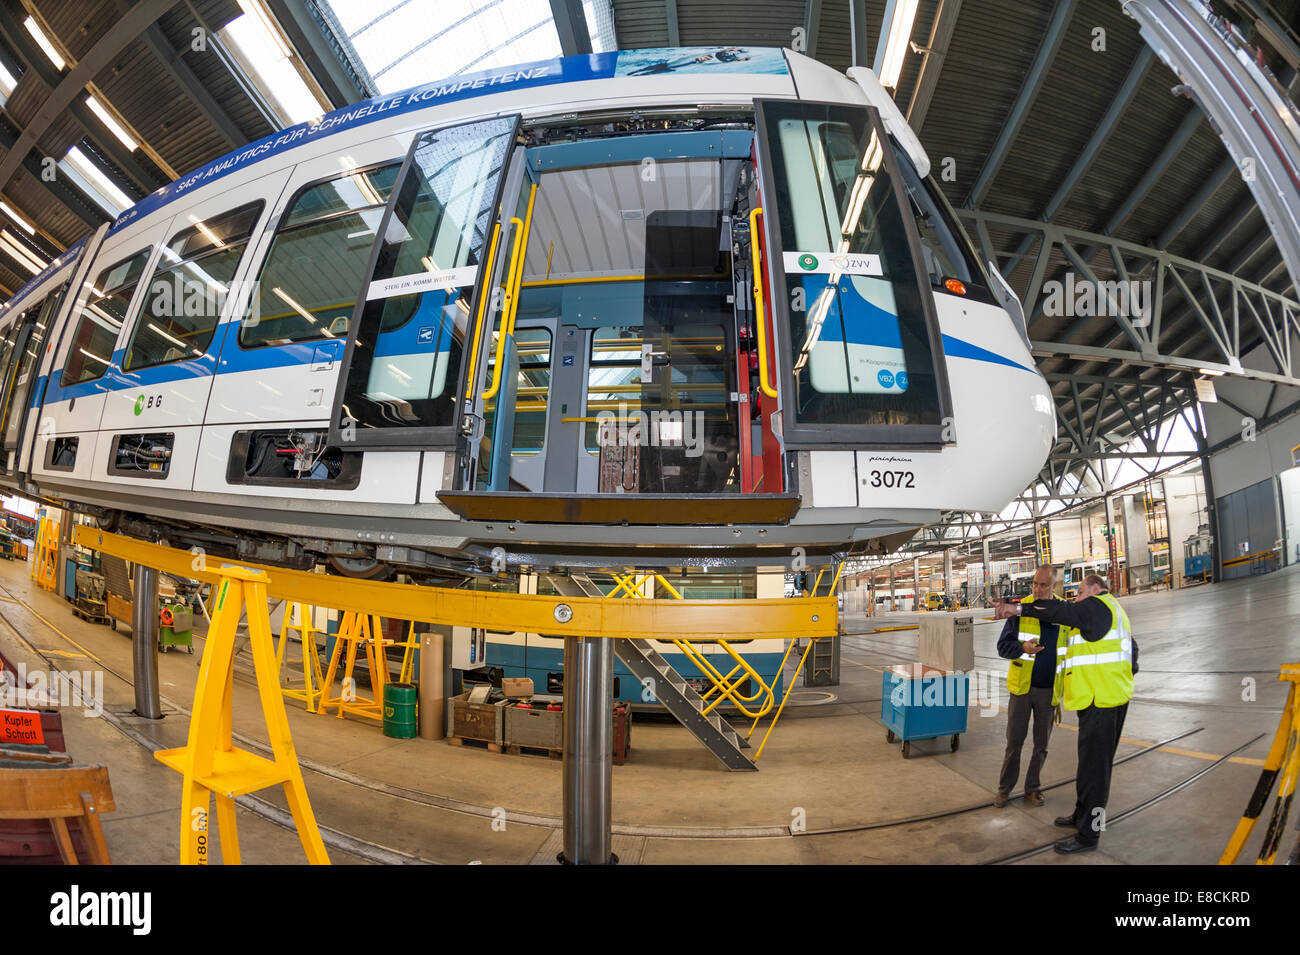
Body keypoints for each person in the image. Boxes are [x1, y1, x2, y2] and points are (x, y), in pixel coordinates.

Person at [994, 573, 1134, 854]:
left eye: (1080, 592)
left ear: (1095, 590)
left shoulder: (1098, 606)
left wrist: (1018, 608)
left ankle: (1089, 835)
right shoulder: (1109, 613)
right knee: (1088, 766)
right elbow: (1134, 654)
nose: (1077, 598)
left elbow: (1062, 610)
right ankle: (1081, 816)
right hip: (1099, 700)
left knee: (1097, 773)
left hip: (1103, 703)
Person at [993, 565, 1069, 808]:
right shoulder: (1021, 609)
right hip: (1022, 690)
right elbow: (1002, 647)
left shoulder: (1064, 613)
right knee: (1014, 742)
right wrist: (1022, 649)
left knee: (1041, 745)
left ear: (1054, 586)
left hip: (1049, 691)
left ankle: (1032, 789)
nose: (1037, 589)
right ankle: (1004, 789)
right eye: (1035, 584)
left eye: (1043, 585)